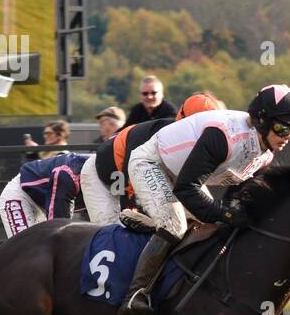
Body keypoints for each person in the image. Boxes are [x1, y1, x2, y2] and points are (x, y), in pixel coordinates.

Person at [119, 84, 290, 315]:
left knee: (214, 227)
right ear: (262, 120)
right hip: (151, 163)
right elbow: (186, 189)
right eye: (282, 128)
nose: (287, 137)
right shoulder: (224, 136)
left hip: (182, 174)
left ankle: (157, 229)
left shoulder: (265, 154)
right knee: (175, 225)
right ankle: (135, 294)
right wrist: (225, 213)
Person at [81, 92, 221, 225]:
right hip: (102, 176)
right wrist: (131, 208)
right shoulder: (155, 136)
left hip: (129, 174)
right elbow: (130, 172)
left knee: (204, 218)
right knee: (117, 229)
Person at [0, 152, 88, 238]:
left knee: (41, 245)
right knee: (25, 245)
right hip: (21, 193)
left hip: (44, 203)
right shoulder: (69, 171)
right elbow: (57, 222)